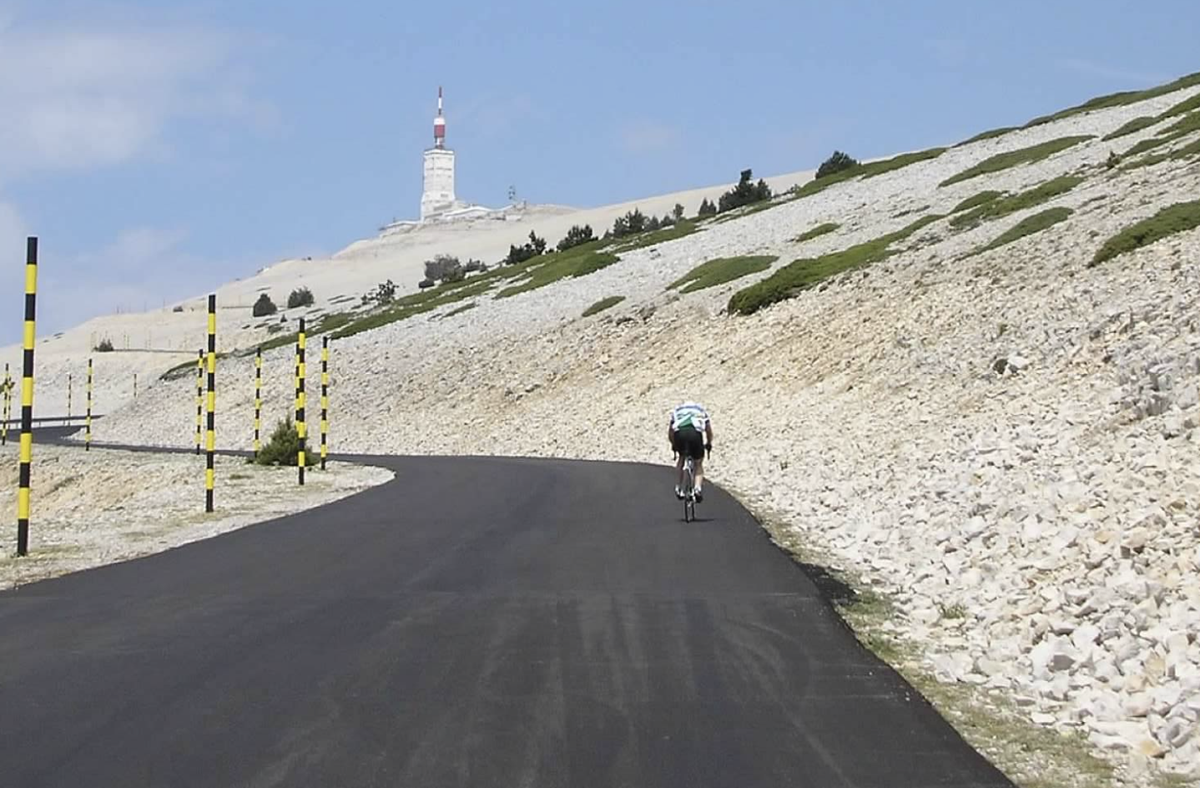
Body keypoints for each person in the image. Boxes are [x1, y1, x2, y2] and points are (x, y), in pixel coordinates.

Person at [668, 402, 713, 501]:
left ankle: (679, 487)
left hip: (679, 433)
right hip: (695, 434)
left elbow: (670, 431)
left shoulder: (677, 410)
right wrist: (709, 443)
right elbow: (708, 431)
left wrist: (674, 445)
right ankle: (697, 489)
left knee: (681, 458)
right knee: (698, 463)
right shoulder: (701, 410)